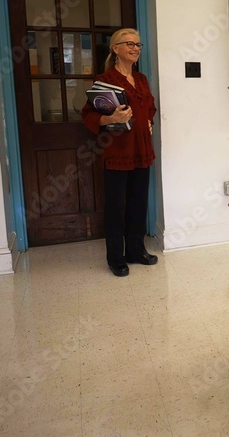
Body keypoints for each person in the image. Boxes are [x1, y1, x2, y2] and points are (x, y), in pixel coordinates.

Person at [81, 28, 158, 277]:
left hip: (142, 149)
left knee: (138, 203)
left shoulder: (142, 79)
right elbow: (88, 115)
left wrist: (149, 121)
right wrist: (110, 117)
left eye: (138, 44)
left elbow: (151, 108)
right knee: (116, 207)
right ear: (116, 49)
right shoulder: (105, 80)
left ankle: (136, 251)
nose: (135, 48)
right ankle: (116, 257)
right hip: (118, 151)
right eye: (129, 44)